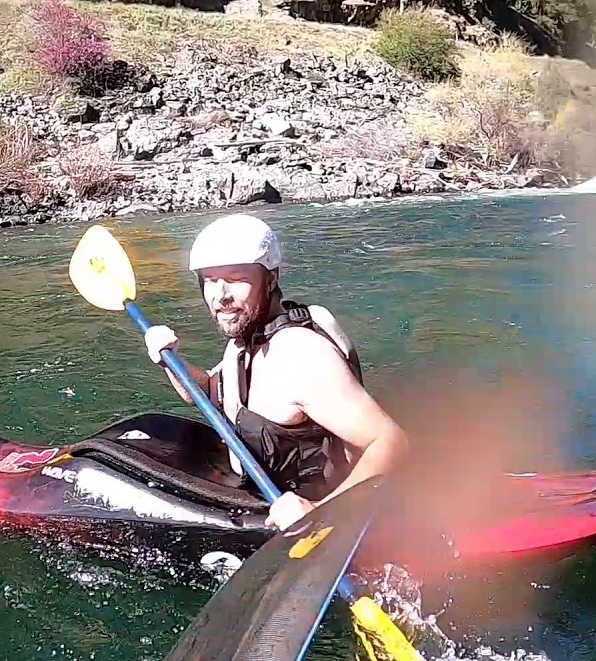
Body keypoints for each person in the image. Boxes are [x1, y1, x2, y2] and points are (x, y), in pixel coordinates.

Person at [144, 213, 409, 531]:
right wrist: (169, 359)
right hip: (267, 503)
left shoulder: (299, 354)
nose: (221, 295)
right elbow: (210, 394)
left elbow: (392, 441)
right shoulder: (245, 343)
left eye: (237, 277)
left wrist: (318, 512)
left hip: (333, 519)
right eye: (210, 280)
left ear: (271, 278)